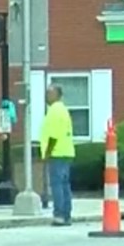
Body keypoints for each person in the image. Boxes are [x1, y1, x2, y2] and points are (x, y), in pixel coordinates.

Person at [40, 84, 75, 226]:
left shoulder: (54, 111)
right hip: (67, 152)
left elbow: (53, 135)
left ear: (58, 95)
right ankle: (66, 215)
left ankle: (59, 215)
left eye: (50, 93)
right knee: (64, 185)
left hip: (57, 153)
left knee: (57, 185)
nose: (46, 96)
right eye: (46, 93)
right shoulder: (63, 110)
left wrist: (47, 153)